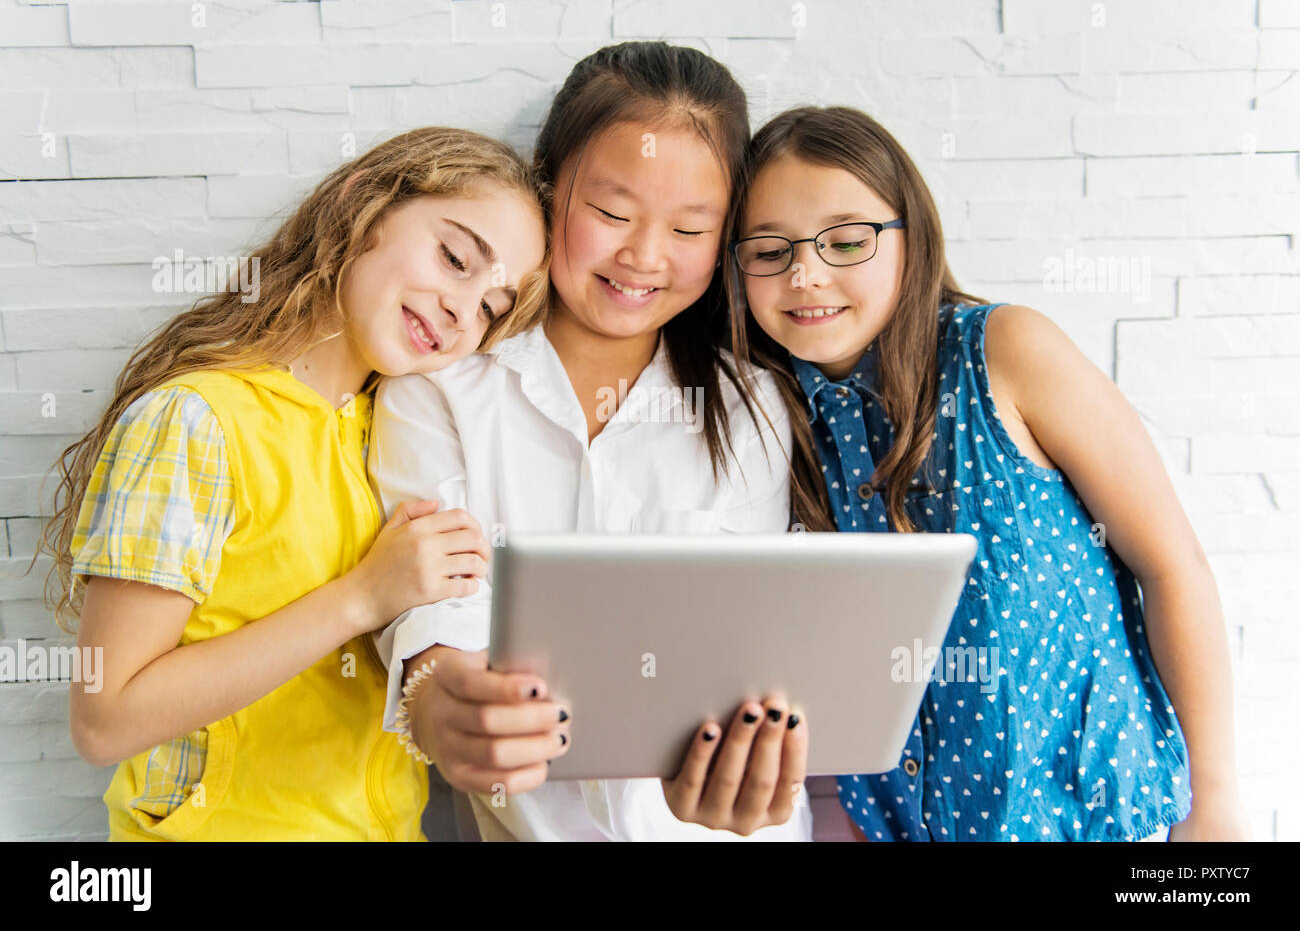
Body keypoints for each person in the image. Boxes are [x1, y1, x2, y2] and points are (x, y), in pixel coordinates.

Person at [726, 104, 1250, 841]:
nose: (806, 273)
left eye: (847, 241)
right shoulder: (769, 418)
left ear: (913, 241)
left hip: (1096, 823)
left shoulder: (1004, 353)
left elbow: (1172, 565)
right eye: (770, 250)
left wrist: (1217, 804)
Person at [36, 127, 548, 840]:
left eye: (495, 307)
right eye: (456, 257)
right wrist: (362, 596)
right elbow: (105, 717)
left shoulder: (390, 435)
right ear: (362, 209)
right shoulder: (195, 422)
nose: (467, 309)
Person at [370, 42, 812, 841]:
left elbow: (754, 646)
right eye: (612, 213)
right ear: (547, 184)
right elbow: (433, 622)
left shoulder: (751, 406)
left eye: (690, 228)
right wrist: (442, 706)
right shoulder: (439, 389)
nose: (644, 255)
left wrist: (757, 769)